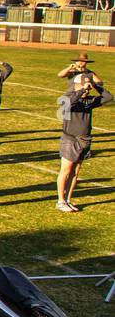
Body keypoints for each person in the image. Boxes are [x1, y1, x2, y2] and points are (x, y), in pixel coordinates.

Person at [57, 71, 113, 212]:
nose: (88, 90)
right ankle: (60, 201)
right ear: (77, 85)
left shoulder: (89, 101)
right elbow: (69, 104)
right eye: (84, 85)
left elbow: (108, 97)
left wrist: (95, 86)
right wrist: (82, 90)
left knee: (75, 172)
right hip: (70, 139)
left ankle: (68, 200)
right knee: (66, 170)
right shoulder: (67, 98)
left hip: (84, 140)